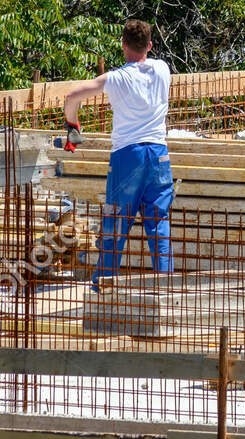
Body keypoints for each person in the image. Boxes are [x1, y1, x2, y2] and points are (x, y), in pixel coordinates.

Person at [61, 20, 174, 286]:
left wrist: (72, 126)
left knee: (115, 225)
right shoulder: (162, 69)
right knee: (159, 226)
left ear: (123, 45)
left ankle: (104, 292)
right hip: (159, 156)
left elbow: (71, 98)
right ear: (150, 45)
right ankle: (168, 292)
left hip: (128, 157)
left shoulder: (116, 78)